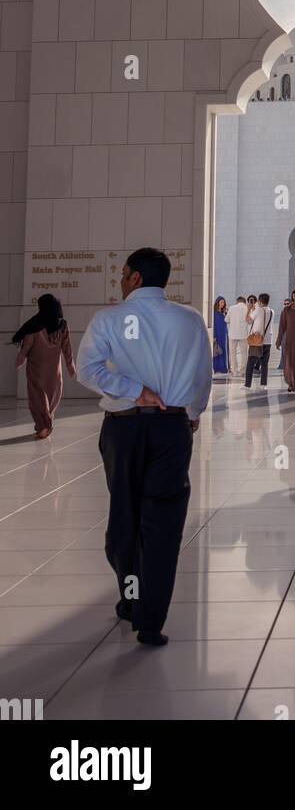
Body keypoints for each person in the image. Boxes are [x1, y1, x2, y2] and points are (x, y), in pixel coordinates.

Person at [77, 246, 212, 647]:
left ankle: (131, 598)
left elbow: (88, 370)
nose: (120, 280)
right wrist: (191, 413)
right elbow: (202, 376)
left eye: (122, 274)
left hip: (124, 431)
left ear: (135, 277)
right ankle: (150, 619)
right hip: (173, 428)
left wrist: (134, 392)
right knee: (163, 523)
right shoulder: (190, 320)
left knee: (126, 518)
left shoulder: (109, 320)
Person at [12, 293, 76, 439]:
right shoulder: (62, 325)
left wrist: (20, 360)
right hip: (55, 372)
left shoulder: (34, 326)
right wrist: (70, 365)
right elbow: (67, 348)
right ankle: (47, 423)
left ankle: (43, 426)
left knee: (37, 399)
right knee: (53, 398)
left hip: (37, 371)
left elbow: (26, 348)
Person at [245, 292, 274, 389]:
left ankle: (247, 385)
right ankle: (263, 385)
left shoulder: (258, 310)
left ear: (260, 301)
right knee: (264, 364)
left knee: (250, 363)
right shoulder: (271, 311)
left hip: (256, 341)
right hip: (268, 340)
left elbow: (248, 320)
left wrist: (249, 309)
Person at [226, 295, 249, 376]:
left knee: (232, 353)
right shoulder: (247, 308)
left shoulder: (231, 308)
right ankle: (242, 371)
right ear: (244, 302)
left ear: (237, 301)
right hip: (243, 335)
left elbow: (226, 320)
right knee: (244, 353)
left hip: (233, 334)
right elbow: (249, 321)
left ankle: (235, 371)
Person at [212, 296, 229, 376]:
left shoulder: (224, 312)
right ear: (217, 302)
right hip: (217, 334)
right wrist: (214, 336)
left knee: (224, 350)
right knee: (217, 350)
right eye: (221, 302)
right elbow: (213, 325)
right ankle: (216, 367)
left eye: (223, 302)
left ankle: (224, 367)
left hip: (224, 334)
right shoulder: (214, 314)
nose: (222, 304)